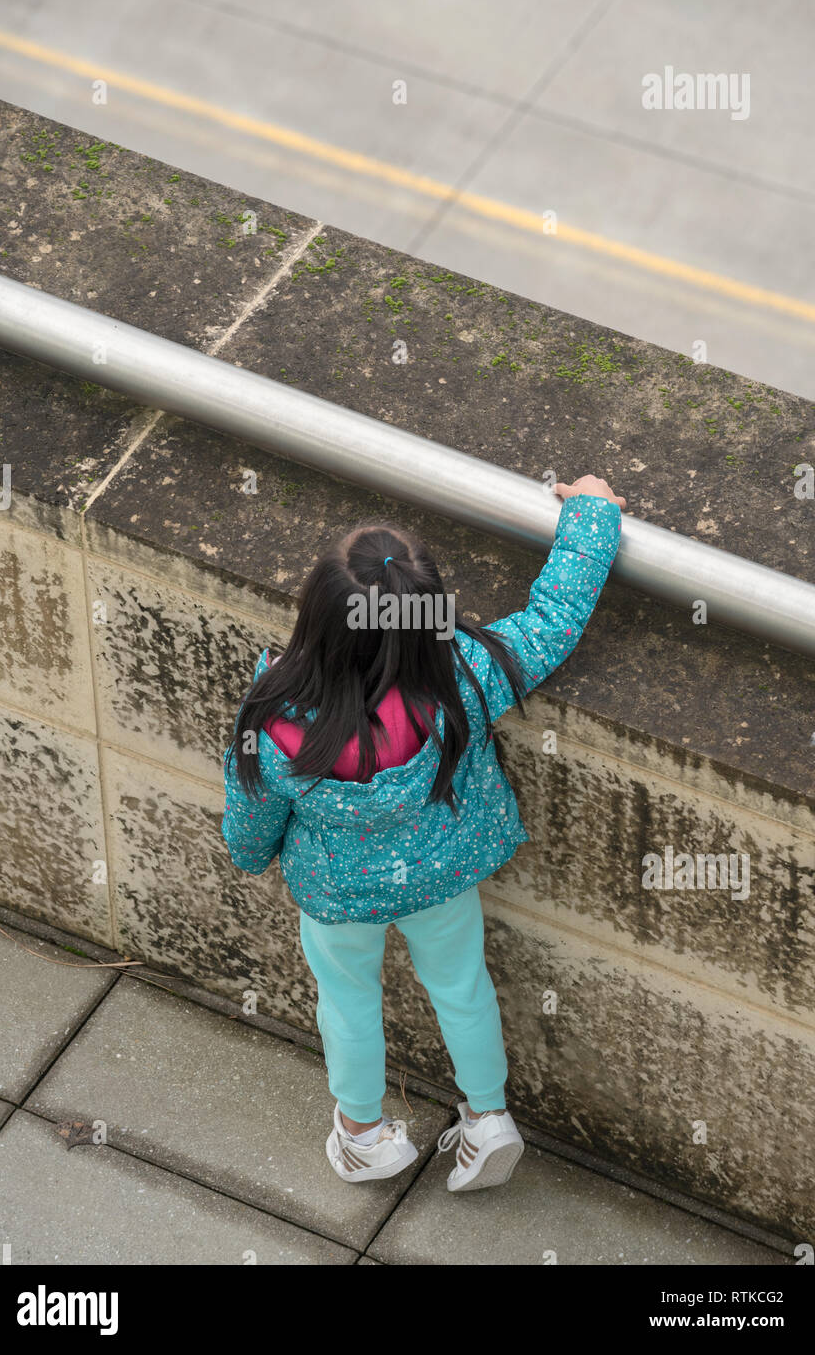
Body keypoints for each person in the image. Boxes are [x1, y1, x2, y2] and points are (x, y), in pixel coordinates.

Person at [222, 474, 626, 1191]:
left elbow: (253, 813)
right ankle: (488, 1118)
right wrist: (590, 514)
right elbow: (553, 616)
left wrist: (251, 858)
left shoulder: (275, 714)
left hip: (336, 894)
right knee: (462, 986)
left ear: (315, 617)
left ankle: (363, 1135)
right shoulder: (465, 677)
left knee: (347, 999)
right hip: (444, 876)